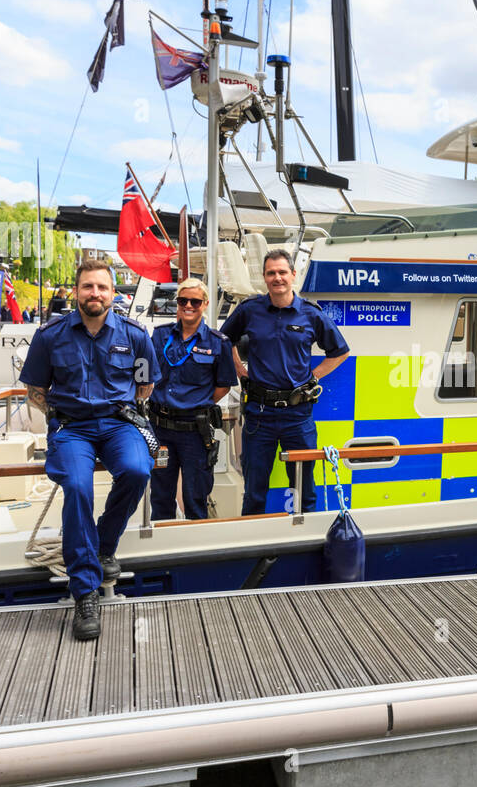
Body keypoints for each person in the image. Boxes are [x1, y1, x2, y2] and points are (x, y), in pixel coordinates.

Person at [18, 258, 160, 641]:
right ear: (76, 291)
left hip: (118, 423)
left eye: (102, 287)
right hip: (72, 428)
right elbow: (34, 390)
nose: (94, 293)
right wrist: (60, 415)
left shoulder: (135, 335)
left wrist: (122, 405)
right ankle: (84, 592)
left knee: (137, 471)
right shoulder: (50, 336)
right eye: (87, 287)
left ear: (113, 293)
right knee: (78, 488)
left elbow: (145, 386)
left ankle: (104, 546)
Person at [222, 248, 350, 516]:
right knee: (255, 490)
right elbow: (223, 340)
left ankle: (303, 546)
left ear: (293, 275)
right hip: (259, 414)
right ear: (265, 277)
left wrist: (313, 377)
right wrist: (238, 369)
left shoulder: (311, 314)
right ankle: (254, 548)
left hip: (298, 415)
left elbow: (340, 352)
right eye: (271, 273)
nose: (277, 277)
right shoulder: (249, 310)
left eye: (282, 272)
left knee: (304, 490)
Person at [149, 278, 237, 520]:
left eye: (195, 301)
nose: (188, 305)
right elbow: (145, 376)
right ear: (177, 303)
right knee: (160, 495)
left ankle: (194, 551)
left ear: (205, 304)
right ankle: (162, 552)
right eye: (182, 300)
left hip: (194, 433)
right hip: (160, 430)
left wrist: (195, 402)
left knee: (195, 496)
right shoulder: (159, 336)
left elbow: (223, 385)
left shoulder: (218, 343)